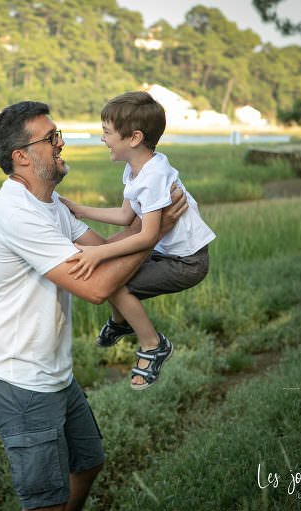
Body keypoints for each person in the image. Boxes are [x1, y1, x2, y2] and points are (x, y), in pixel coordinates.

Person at [0, 100, 187, 511]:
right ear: (22, 157)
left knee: (87, 463)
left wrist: (147, 222)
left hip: (52, 374)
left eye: (58, 134)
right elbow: (97, 287)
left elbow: (105, 252)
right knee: (46, 500)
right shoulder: (16, 213)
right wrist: (154, 231)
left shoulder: (52, 205)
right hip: (17, 380)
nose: (61, 143)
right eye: (51, 139)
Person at [60, 91, 216, 391]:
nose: (102, 138)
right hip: (165, 253)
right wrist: (81, 210)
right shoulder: (136, 169)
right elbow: (124, 216)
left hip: (186, 262)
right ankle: (121, 323)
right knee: (111, 279)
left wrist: (99, 254)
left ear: (134, 138)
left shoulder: (153, 176)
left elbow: (146, 235)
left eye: (107, 133)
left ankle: (152, 344)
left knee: (116, 284)